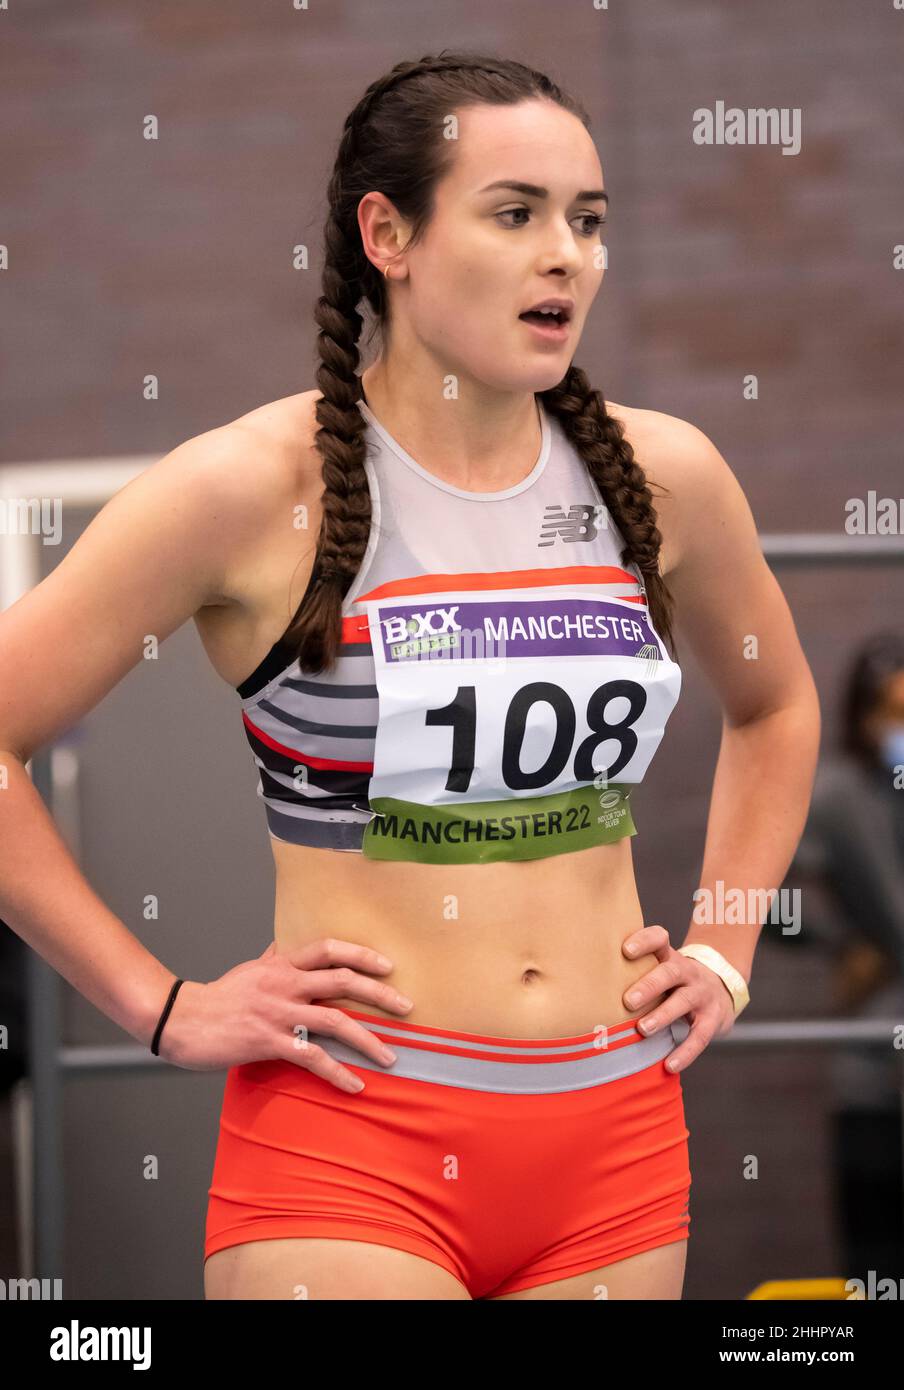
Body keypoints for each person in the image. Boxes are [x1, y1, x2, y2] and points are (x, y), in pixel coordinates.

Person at [0, 51, 820, 1301]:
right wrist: (161, 1004)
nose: (567, 256)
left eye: (587, 222)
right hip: (347, 1144)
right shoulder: (245, 486)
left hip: (616, 1142)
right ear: (386, 232)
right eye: (516, 214)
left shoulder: (664, 477)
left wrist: (723, 947)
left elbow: (774, 703)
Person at [785, 632, 904, 1276]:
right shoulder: (838, 796)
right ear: (865, 717)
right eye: (895, 714)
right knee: (877, 1262)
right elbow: (762, 898)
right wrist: (840, 945)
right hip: (874, 1056)